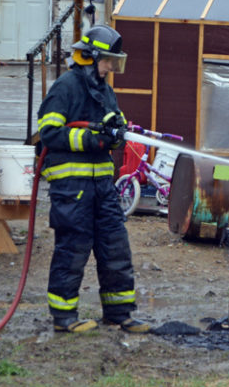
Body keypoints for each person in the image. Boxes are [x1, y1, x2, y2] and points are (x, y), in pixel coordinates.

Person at [37, 24, 149, 333]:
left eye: (116, 61)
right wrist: (90, 139)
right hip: (72, 188)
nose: (112, 67)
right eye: (109, 60)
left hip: (103, 188)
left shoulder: (105, 91)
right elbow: (49, 132)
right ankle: (64, 317)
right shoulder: (65, 87)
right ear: (90, 57)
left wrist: (115, 134)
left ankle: (119, 312)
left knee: (115, 246)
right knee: (72, 249)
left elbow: (115, 129)